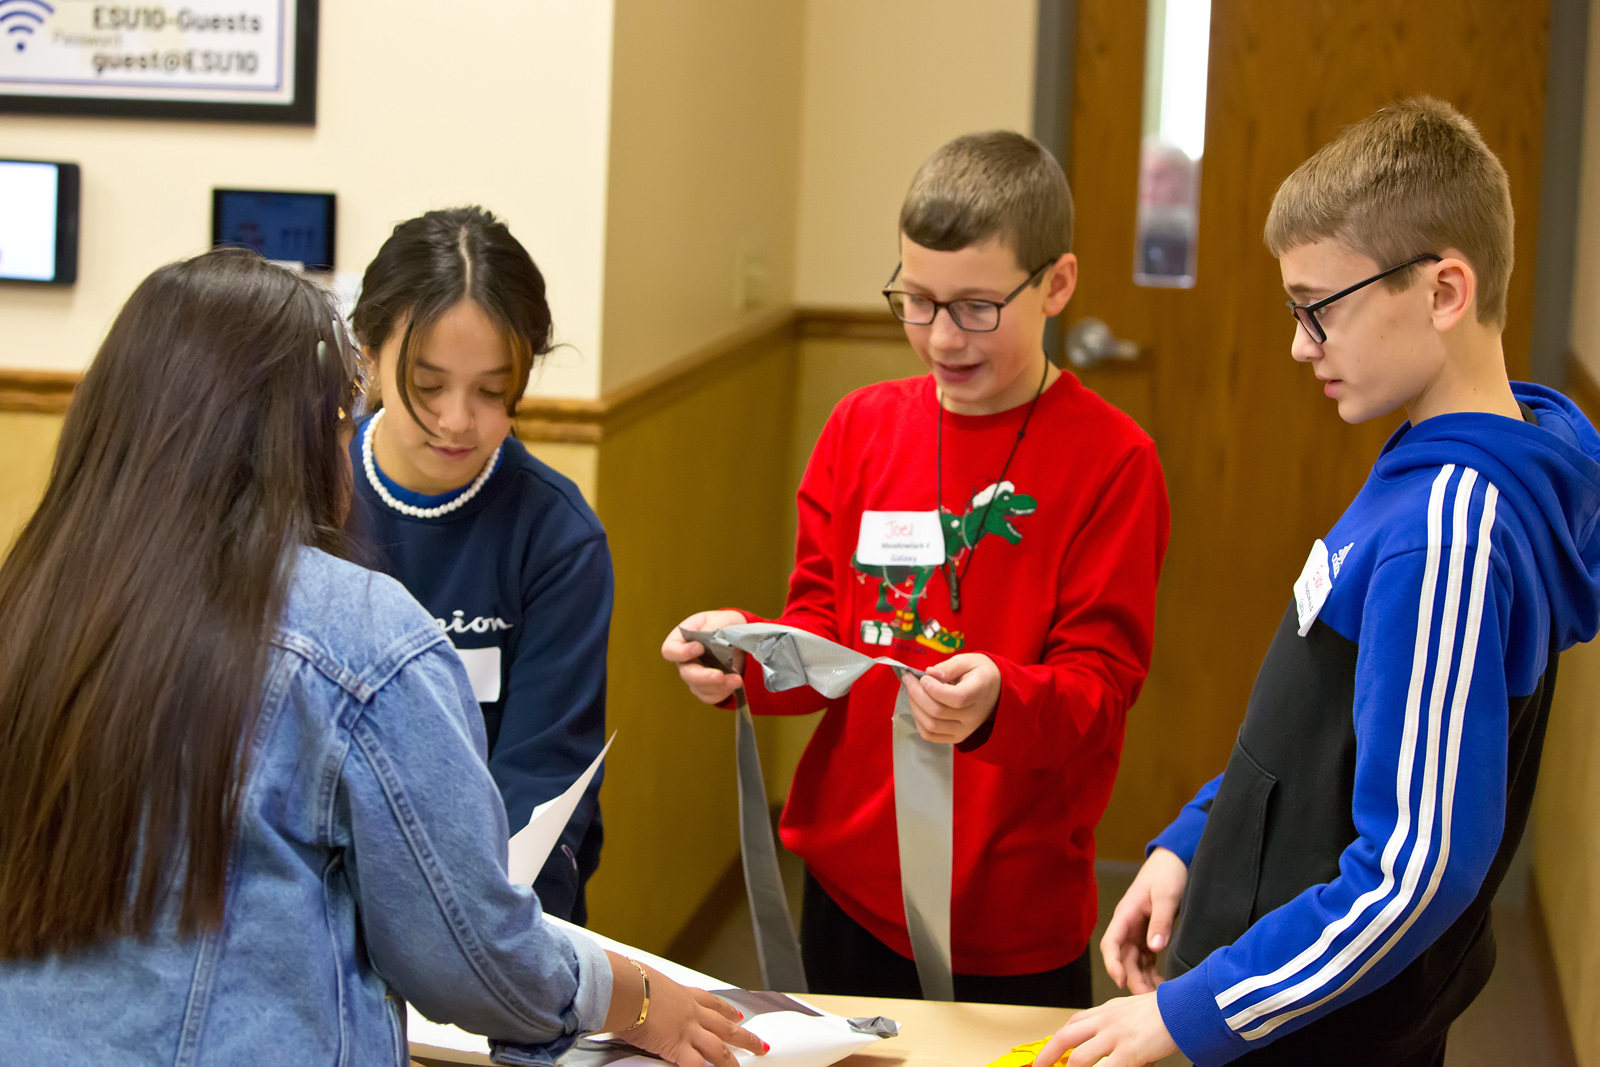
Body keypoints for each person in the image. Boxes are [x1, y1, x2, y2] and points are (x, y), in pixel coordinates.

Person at [0, 249, 763, 1067]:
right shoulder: (358, 634)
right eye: (341, 415)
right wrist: (634, 995)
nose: (452, 420)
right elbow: (466, 949)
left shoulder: (35, 601)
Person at [1045, 99, 1600, 1067]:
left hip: (1313, 1031)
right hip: (1274, 983)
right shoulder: (1430, 465)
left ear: (1443, 291)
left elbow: (1413, 871)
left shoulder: (1447, 531)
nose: (1301, 344)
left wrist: (1193, 1011)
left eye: (1319, 307)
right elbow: (1316, 735)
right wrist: (1191, 836)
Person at [662, 130, 1171, 1008]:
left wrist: (997, 703)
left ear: (1056, 283)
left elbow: (1100, 691)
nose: (940, 337)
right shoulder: (861, 427)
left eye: (976, 306)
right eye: (916, 300)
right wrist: (742, 655)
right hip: (851, 888)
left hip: (1009, 918)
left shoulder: (1114, 462)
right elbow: (823, 631)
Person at [348, 207, 610, 924]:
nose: (459, 419)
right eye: (428, 386)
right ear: (367, 353)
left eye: (493, 391)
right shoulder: (302, 499)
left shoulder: (557, 537)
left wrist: (491, 954)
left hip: (489, 919)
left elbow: (543, 785)